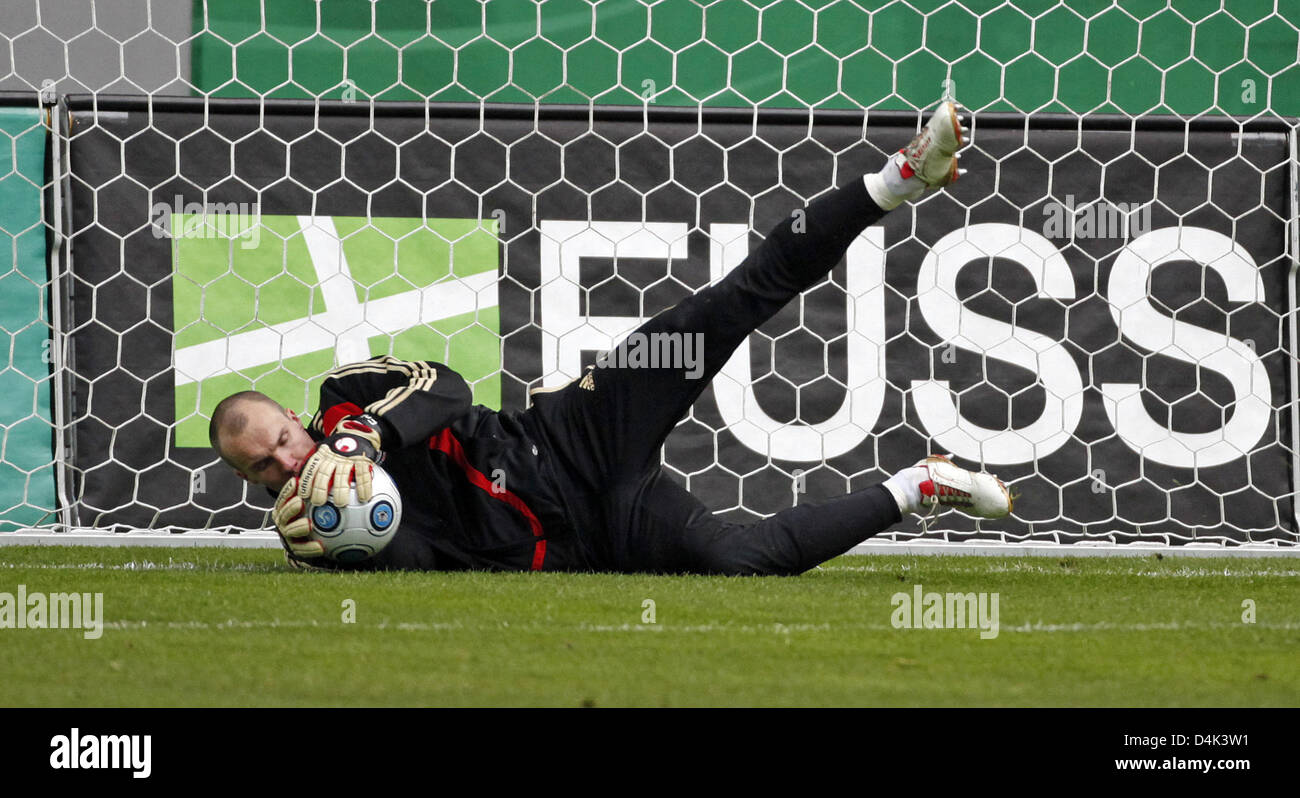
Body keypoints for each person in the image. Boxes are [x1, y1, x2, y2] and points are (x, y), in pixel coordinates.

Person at [209, 100, 1013, 575]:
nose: (285, 460)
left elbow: (445, 387)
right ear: (249, 481)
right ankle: (922, 487)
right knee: (741, 565)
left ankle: (901, 175)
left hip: (573, 437)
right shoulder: (312, 534)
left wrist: (366, 439)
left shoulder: (344, 400)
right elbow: (427, 564)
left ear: (289, 413)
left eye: (280, 437)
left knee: (726, 307)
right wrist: (360, 545)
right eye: (263, 466)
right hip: (592, 532)